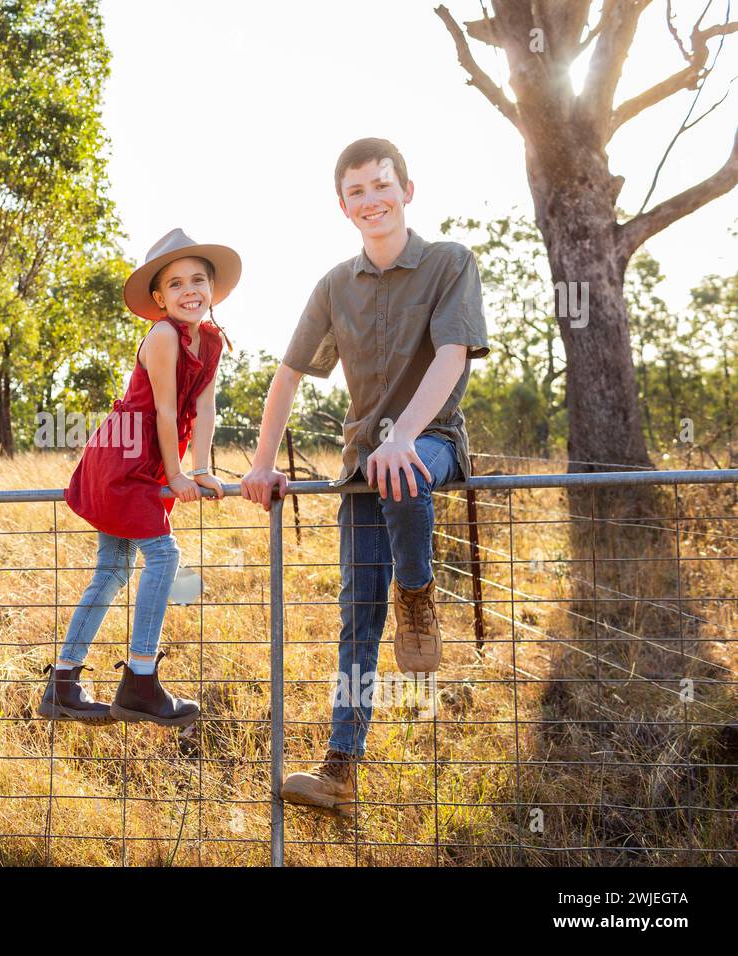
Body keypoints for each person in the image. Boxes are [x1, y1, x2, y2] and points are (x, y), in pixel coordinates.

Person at [241, 139, 489, 813]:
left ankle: (418, 593)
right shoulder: (333, 285)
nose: (371, 199)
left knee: (402, 470)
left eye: (381, 185)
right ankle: (339, 771)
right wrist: (262, 465)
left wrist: (405, 434)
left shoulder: (447, 263)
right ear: (343, 206)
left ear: (407, 189)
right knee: (356, 620)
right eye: (356, 192)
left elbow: (453, 354)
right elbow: (289, 373)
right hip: (360, 468)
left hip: (430, 442)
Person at [39, 228, 238, 728]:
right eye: (175, 284)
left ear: (212, 288)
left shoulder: (211, 341)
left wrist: (202, 467)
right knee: (164, 556)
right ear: (158, 298)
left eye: (198, 280)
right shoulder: (164, 335)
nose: (189, 290)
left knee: (111, 572)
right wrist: (176, 473)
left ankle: (63, 684)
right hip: (124, 457)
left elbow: (206, 408)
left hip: (147, 463)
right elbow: (167, 412)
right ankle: (141, 680)